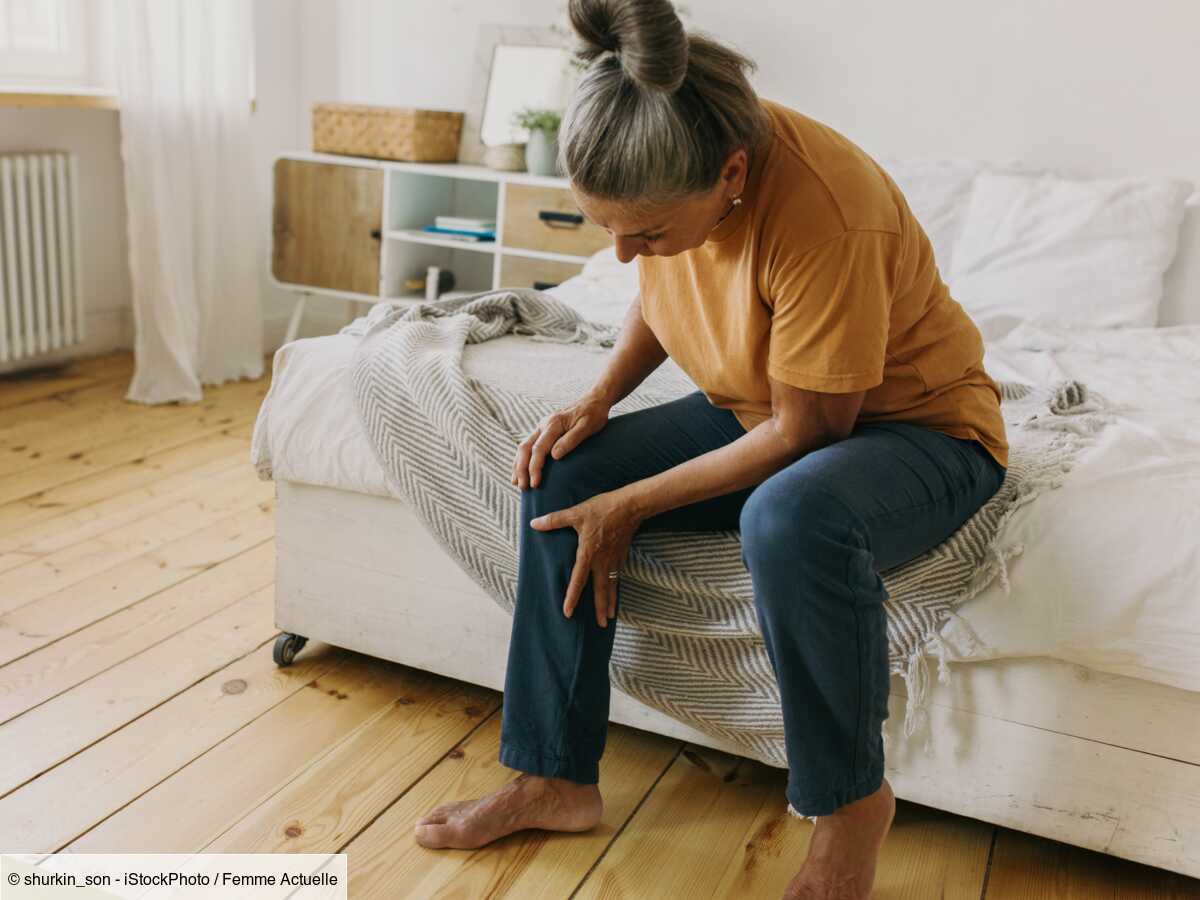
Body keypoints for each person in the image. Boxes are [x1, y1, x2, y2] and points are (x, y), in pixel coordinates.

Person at [415, 0, 1008, 896]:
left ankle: (850, 810)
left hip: (918, 430)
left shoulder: (828, 211)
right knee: (566, 473)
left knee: (791, 516)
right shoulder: (667, 153)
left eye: (644, 233)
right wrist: (597, 400)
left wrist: (637, 503)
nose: (622, 256)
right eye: (604, 229)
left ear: (733, 175)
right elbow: (660, 289)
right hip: (758, 407)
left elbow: (811, 435)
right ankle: (553, 775)